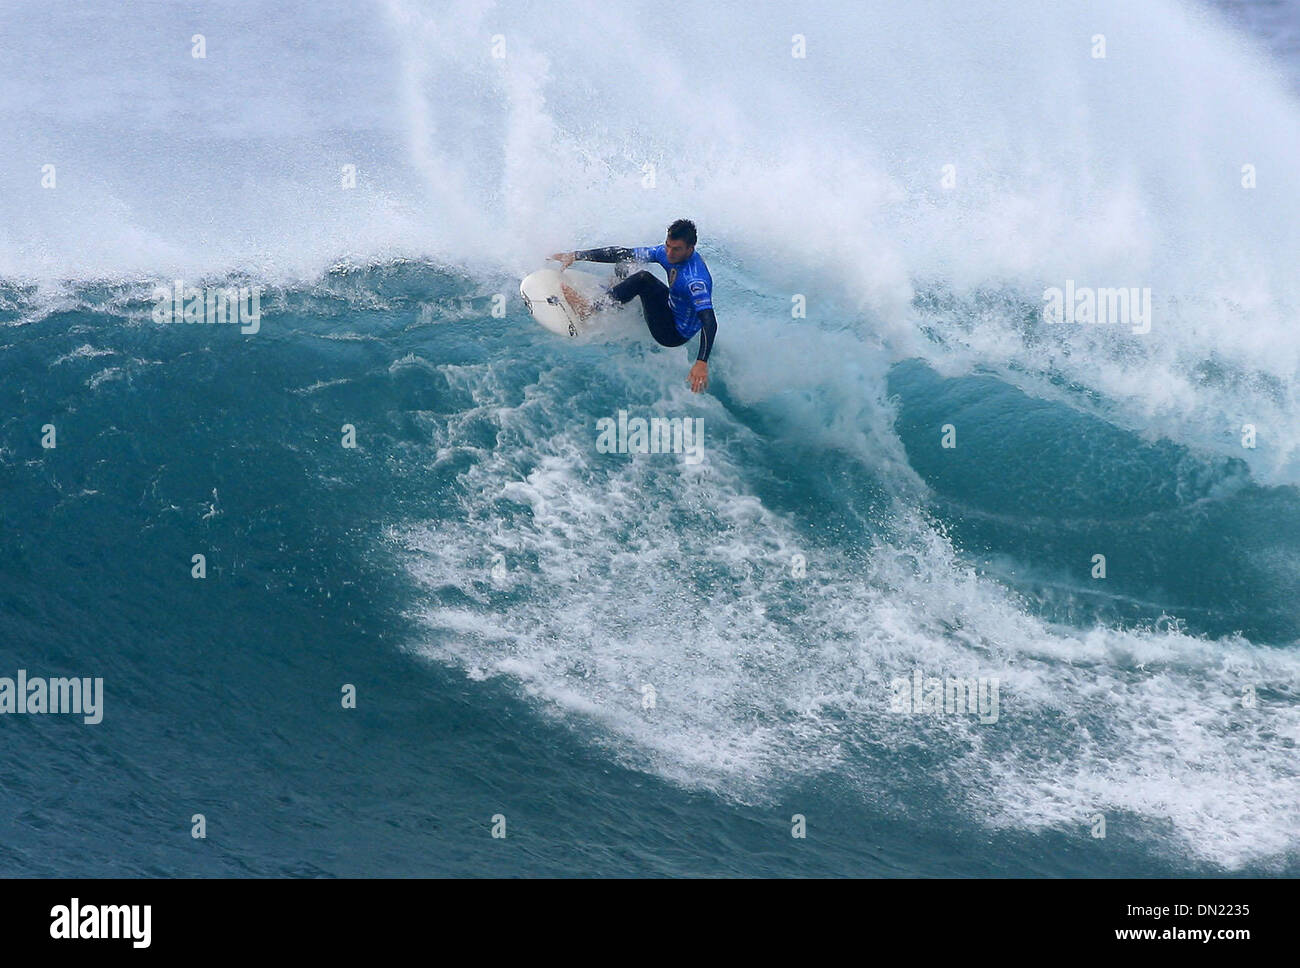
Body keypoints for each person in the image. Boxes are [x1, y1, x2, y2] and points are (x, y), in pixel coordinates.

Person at [549, 218, 717, 393]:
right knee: (625, 264)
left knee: (642, 279)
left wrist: (701, 362)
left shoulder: (695, 281)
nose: (669, 253)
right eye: (668, 245)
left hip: (672, 333)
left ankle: (589, 310)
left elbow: (709, 320)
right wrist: (576, 255)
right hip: (672, 304)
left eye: (676, 249)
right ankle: (620, 293)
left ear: (691, 248)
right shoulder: (667, 252)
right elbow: (623, 253)